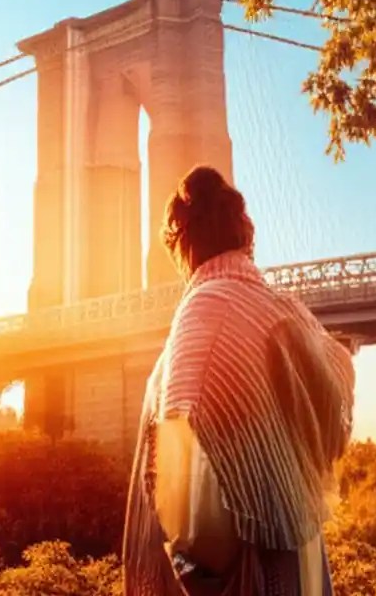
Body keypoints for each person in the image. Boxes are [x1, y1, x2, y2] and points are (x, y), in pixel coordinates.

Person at [122, 165, 355, 596]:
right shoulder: (284, 309)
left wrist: (199, 573)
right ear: (242, 234)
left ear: (184, 245)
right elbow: (337, 382)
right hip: (301, 557)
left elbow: (181, 458)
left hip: (239, 573)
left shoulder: (204, 309)